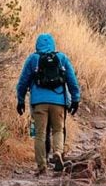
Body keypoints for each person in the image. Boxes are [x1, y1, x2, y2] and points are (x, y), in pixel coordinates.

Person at [15, 30, 80, 173]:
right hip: (59, 102)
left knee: (39, 134)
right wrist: (75, 99)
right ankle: (57, 152)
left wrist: (20, 100)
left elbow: (22, 82)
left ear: (37, 45)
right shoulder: (61, 58)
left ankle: (42, 166)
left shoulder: (33, 59)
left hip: (39, 103)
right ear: (53, 44)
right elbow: (72, 80)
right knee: (58, 130)